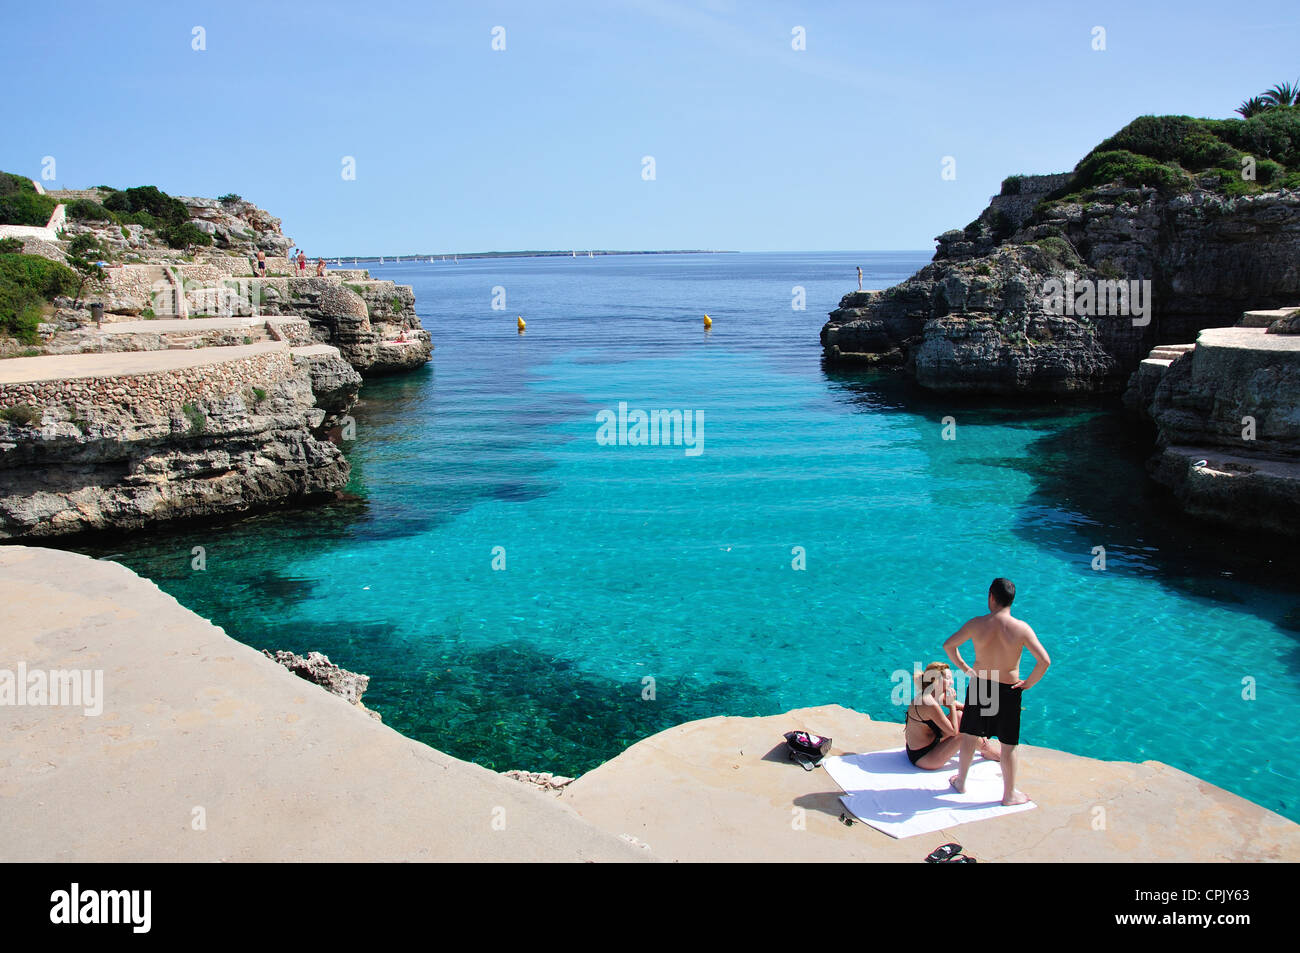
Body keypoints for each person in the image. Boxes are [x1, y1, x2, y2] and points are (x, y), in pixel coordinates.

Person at [944, 578, 1051, 805]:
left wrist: (965, 668)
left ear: (991, 596)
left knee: (970, 737)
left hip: (982, 684)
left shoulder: (976, 624)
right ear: (1012, 600)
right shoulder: (1021, 628)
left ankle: (961, 782)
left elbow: (949, 645)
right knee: (1008, 744)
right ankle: (1009, 795)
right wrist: (1028, 683)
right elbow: (1044, 661)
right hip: (1009, 690)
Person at [904, 662, 1000, 770]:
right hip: (922, 756)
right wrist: (951, 704)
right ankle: (989, 751)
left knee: (960, 715)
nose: (952, 682)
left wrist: (981, 727)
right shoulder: (928, 702)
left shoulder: (934, 693)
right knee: (965, 735)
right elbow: (953, 732)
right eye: (948, 678)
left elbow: (965, 709)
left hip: (930, 742)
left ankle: (984, 746)